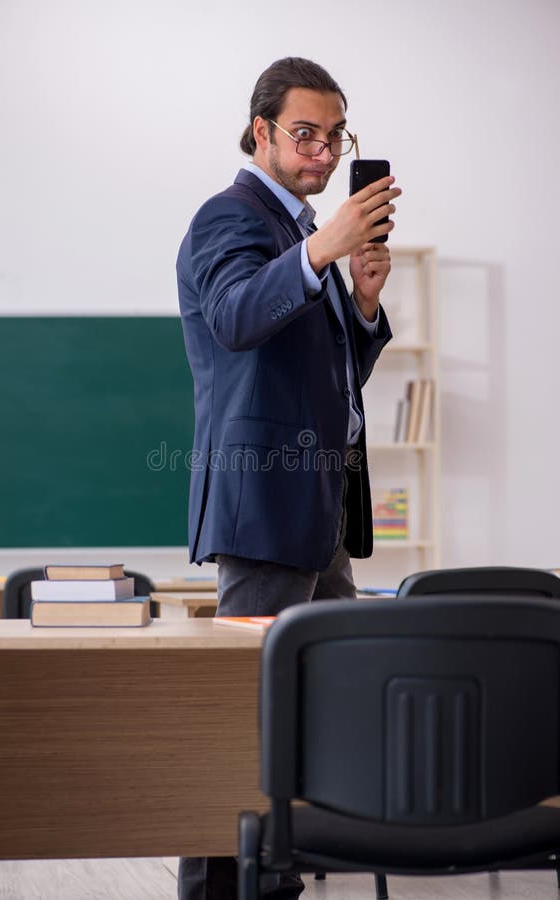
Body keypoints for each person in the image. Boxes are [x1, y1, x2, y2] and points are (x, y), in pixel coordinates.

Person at [176, 56, 401, 900]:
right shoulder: (228, 217)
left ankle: (286, 870)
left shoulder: (303, 237)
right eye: (304, 133)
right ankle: (226, 889)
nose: (322, 152)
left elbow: (335, 373)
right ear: (261, 130)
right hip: (264, 506)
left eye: (334, 135)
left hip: (318, 510)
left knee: (324, 706)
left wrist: (364, 303)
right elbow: (235, 318)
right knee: (247, 721)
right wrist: (321, 250)